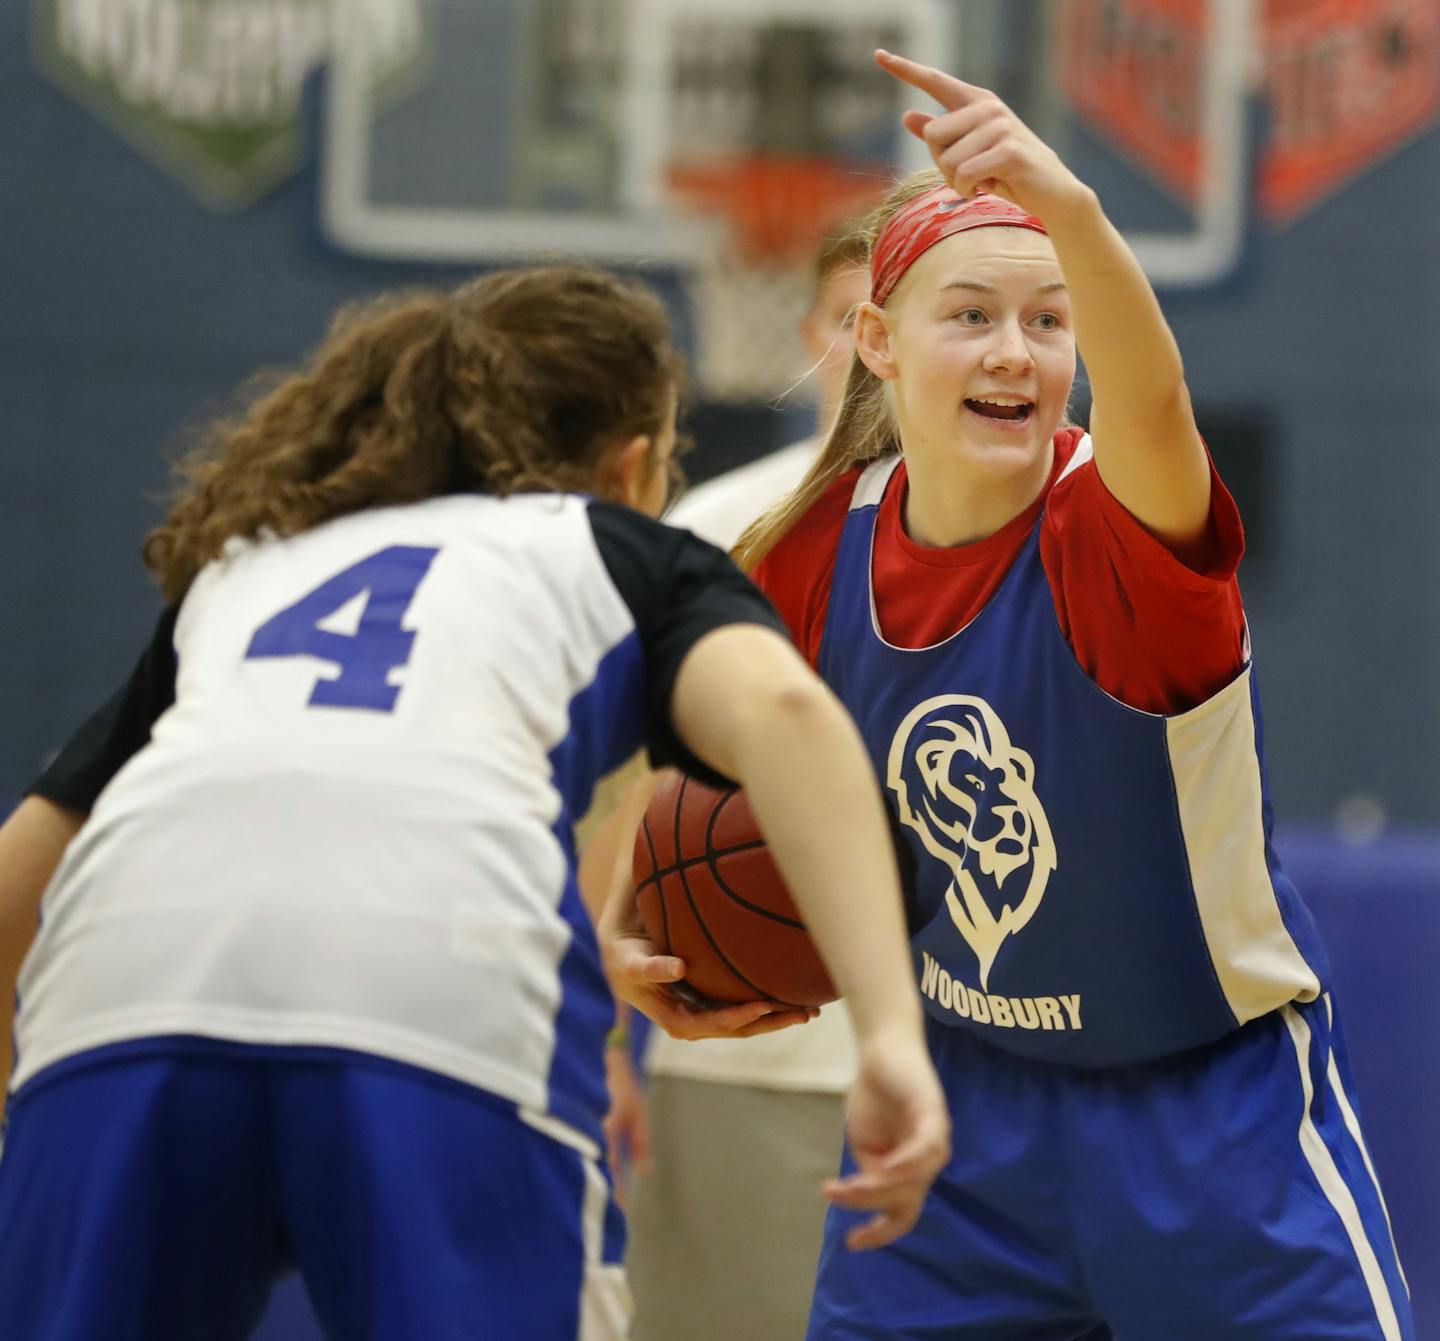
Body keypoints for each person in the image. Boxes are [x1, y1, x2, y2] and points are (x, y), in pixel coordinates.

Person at [0, 264, 949, 1341]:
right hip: (431, 980)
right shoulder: (612, 547)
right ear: (630, 467)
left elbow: (16, 886)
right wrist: (887, 1032)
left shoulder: (251, 568)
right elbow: (784, 711)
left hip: (118, 989)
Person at [705, 49, 1409, 1340]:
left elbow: (1153, 397)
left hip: (1207, 1120)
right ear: (875, 341)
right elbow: (715, 773)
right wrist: (669, 935)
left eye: (1048, 318)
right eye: (970, 313)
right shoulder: (811, 550)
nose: (1014, 351)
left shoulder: (1113, 530)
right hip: (965, 1123)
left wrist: (1074, 214)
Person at [600, 227, 872, 1341]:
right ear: (813, 342)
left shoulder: (1049, 531)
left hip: (994, 1059)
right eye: (860, 323)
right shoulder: (708, 533)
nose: (884, 352)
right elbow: (614, 789)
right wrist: (599, 1038)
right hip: (741, 1047)